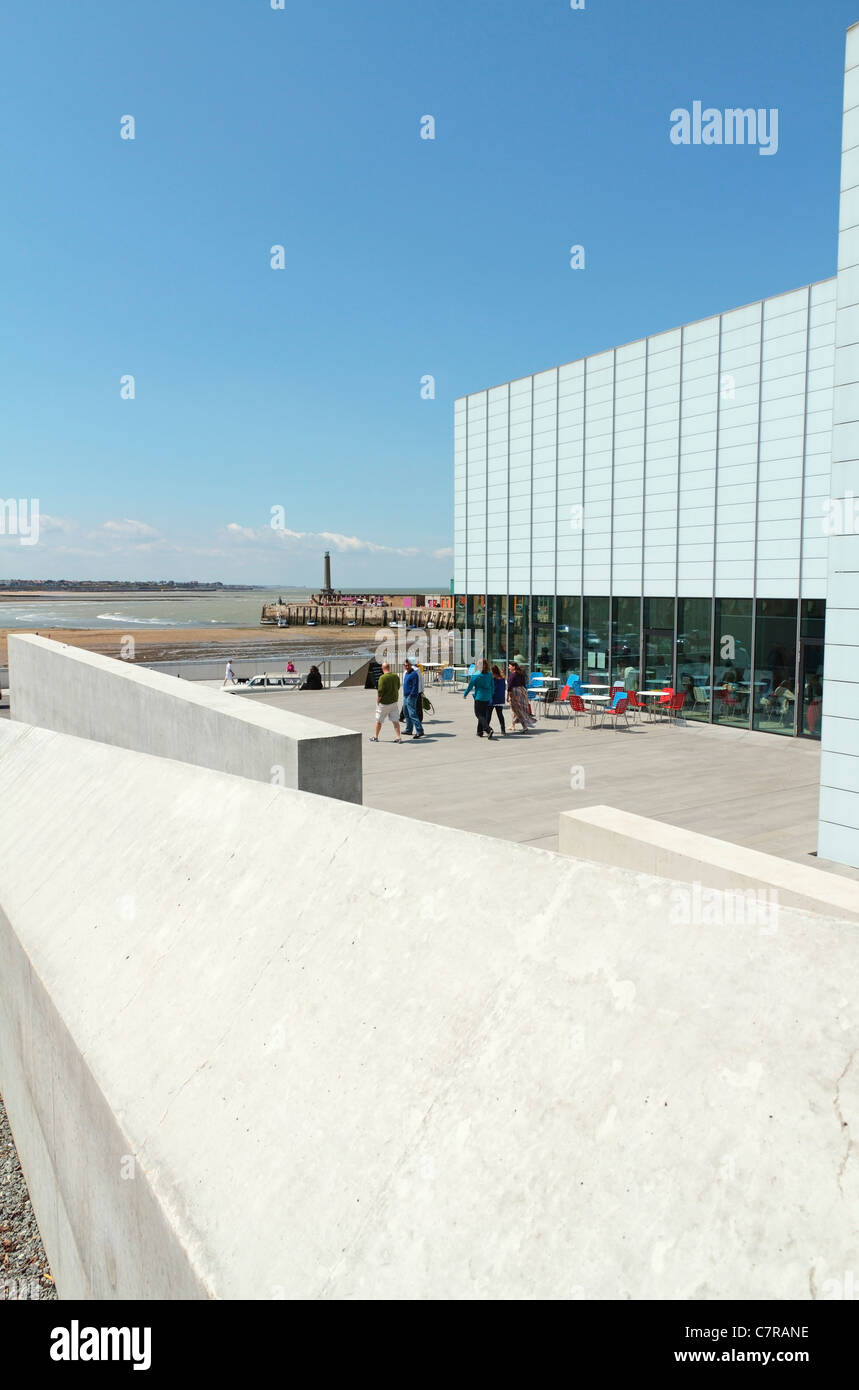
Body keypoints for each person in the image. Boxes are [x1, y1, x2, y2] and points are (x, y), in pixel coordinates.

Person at [370, 663, 402, 742]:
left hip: (384, 703)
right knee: (395, 721)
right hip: (394, 702)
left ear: (382, 668)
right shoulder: (395, 676)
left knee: (379, 721)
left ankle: (376, 737)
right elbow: (398, 686)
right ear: (389, 667)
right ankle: (398, 737)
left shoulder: (382, 678)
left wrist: (378, 701)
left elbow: (380, 691)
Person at [463, 658, 494, 738]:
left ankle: (488, 729)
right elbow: (492, 686)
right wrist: (491, 694)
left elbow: (470, 686)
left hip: (479, 697)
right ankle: (479, 732)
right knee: (482, 714)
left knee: (478, 714)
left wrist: (465, 694)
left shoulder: (476, 675)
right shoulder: (490, 674)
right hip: (487, 697)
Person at [507, 662, 536, 731]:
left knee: (516, 710)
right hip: (522, 691)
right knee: (518, 709)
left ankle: (524, 726)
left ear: (513, 667)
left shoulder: (513, 675)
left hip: (515, 693)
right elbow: (524, 684)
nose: (508, 667)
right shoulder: (520, 673)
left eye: (509, 666)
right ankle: (513, 725)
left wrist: (507, 696)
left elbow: (510, 686)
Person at [401, 659, 425, 739]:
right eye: (405, 665)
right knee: (406, 713)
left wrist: (411, 695)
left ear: (411, 665)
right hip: (405, 696)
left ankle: (420, 731)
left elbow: (415, 686)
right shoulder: (406, 673)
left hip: (411, 697)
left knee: (412, 714)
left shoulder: (414, 674)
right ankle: (409, 729)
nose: (407, 667)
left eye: (408, 665)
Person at [490, 663, 507, 735]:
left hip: (493, 699)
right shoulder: (502, 679)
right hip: (500, 699)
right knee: (500, 715)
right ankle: (503, 730)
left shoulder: (492, 679)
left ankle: (487, 729)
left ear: (492, 672)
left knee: (488, 715)